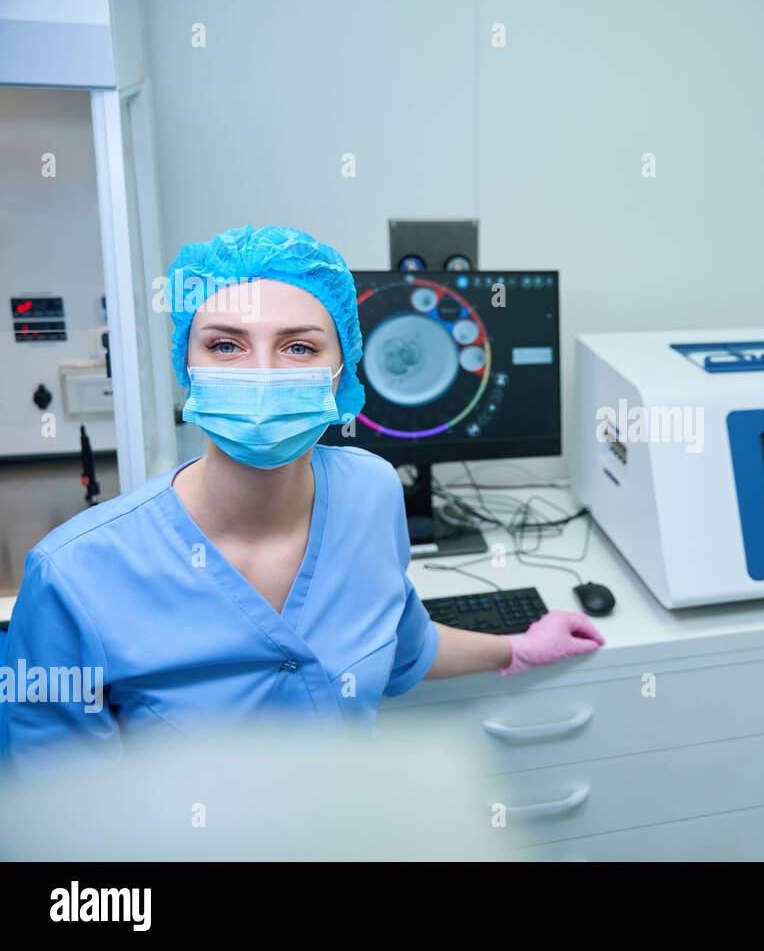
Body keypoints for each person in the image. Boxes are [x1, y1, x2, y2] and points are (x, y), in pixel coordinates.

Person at [0, 225, 603, 773]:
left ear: (344, 372)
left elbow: (403, 644)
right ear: (186, 364)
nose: (262, 374)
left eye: (299, 348)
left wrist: (519, 648)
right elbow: (63, 820)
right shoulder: (74, 577)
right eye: (227, 346)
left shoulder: (370, 492)